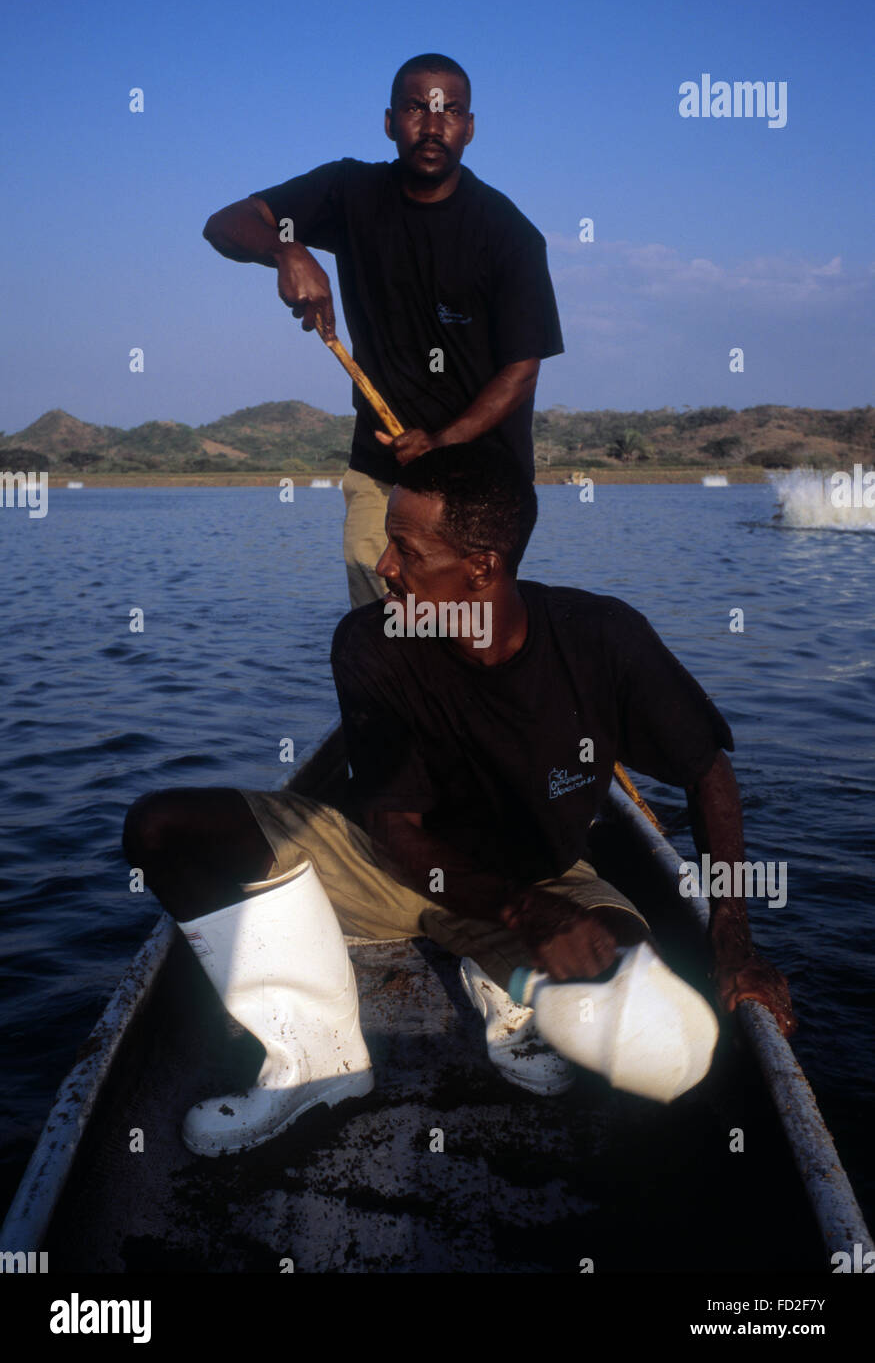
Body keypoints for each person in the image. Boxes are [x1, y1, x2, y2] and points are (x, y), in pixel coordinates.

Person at [122, 442, 796, 1157]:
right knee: (161, 829)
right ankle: (318, 1061)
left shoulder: (602, 638)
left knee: (650, 1022)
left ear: (480, 566)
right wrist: (522, 915)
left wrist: (731, 941)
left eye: (405, 549)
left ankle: (506, 979)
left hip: (542, 874)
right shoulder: (373, 641)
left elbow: (707, 774)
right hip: (385, 862)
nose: (383, 566)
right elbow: (396, 833)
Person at [202, 52, 563, 607]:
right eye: (417, 108)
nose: (433, 126)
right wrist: (285, 250)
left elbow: (520, 372)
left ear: (469, 127)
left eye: (450, 111)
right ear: (391, 121)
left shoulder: (509, 234)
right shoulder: (350, 191)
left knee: (467, 642)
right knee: (384, 629)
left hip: (483, 481)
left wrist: (442, 442)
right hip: (383, 470)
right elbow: (225, 224)